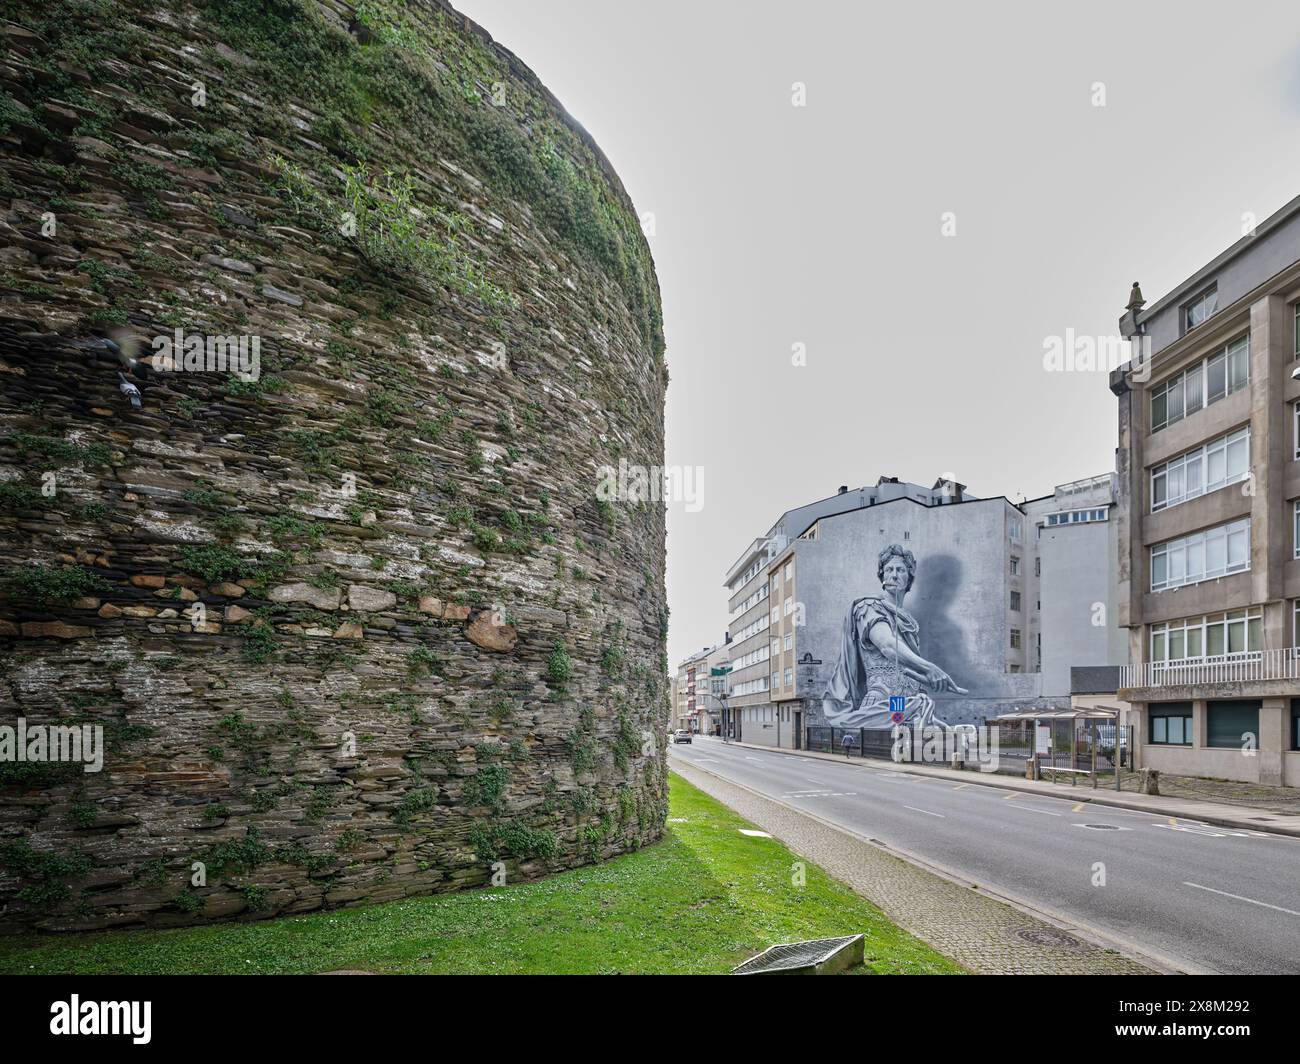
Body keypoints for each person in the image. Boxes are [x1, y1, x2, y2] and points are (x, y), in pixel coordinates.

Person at [822, 543, 967, 730]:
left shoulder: (909, 621)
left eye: (900, 570)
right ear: (882, 576)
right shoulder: (868, 607)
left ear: (909, 578)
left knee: (940, 741)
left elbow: (906, 668)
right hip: (882, 701)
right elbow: (887, 645)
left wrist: (927, 679)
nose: (894, 575)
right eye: (889, 570)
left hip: (913, 703)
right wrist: (931, 668)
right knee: (890, 748)